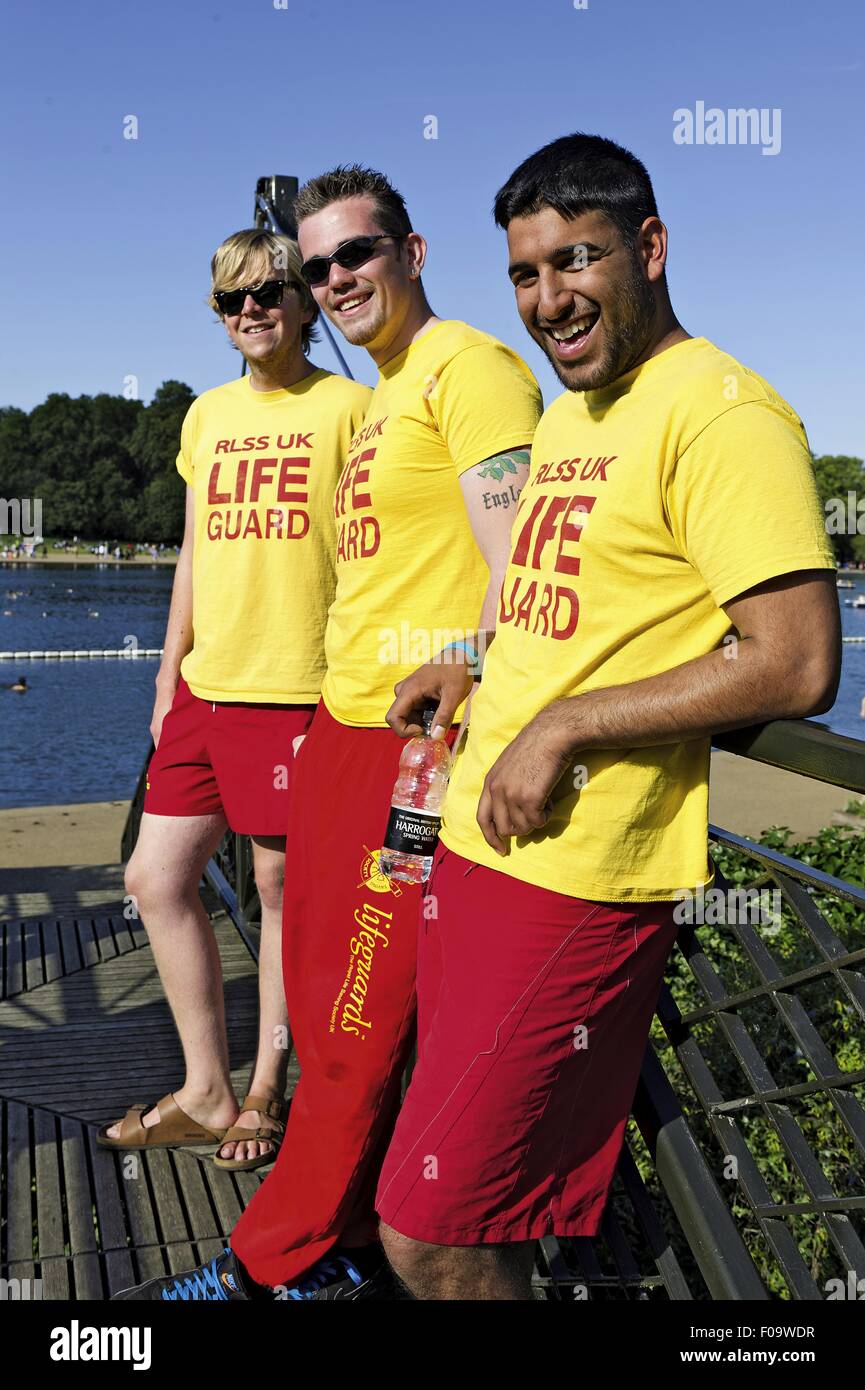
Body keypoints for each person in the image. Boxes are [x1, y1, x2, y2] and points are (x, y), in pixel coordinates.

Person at [372, 133, 841, 1299]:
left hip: (577, 881)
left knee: (425, 1228)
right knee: (470, 1203)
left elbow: (792, 664)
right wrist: (476, 673)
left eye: (573, 261)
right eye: (525, 274)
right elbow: (569, 608)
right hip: (479, 846)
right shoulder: (577, 417)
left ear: (650, 247)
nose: (547, 299)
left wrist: (567, 726)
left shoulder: (723, 412)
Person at [113, 163, 542, 1301]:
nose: (336, 278)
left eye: (355, 254)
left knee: (358, 1003)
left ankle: (279, 1263)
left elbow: (529, 557)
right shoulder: (393, 387)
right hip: (342, 733)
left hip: (417, 754)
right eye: (319, 264)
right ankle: (338, 1229)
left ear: (411, 251)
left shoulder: (473, 372)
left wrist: (475, 657)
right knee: (315, 968)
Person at [98, 229, 371, 1171]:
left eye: (269, 291)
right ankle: (205, 1089)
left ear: (305, 301)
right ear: (217, 319)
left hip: (297, 692)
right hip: (207, 690)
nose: (250, 309)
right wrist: (166, 676)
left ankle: (264, 1087)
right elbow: (194, 553)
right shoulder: (206, 416)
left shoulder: (351, 409)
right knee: (154, 878)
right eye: (231, 300)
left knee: (276, 890)